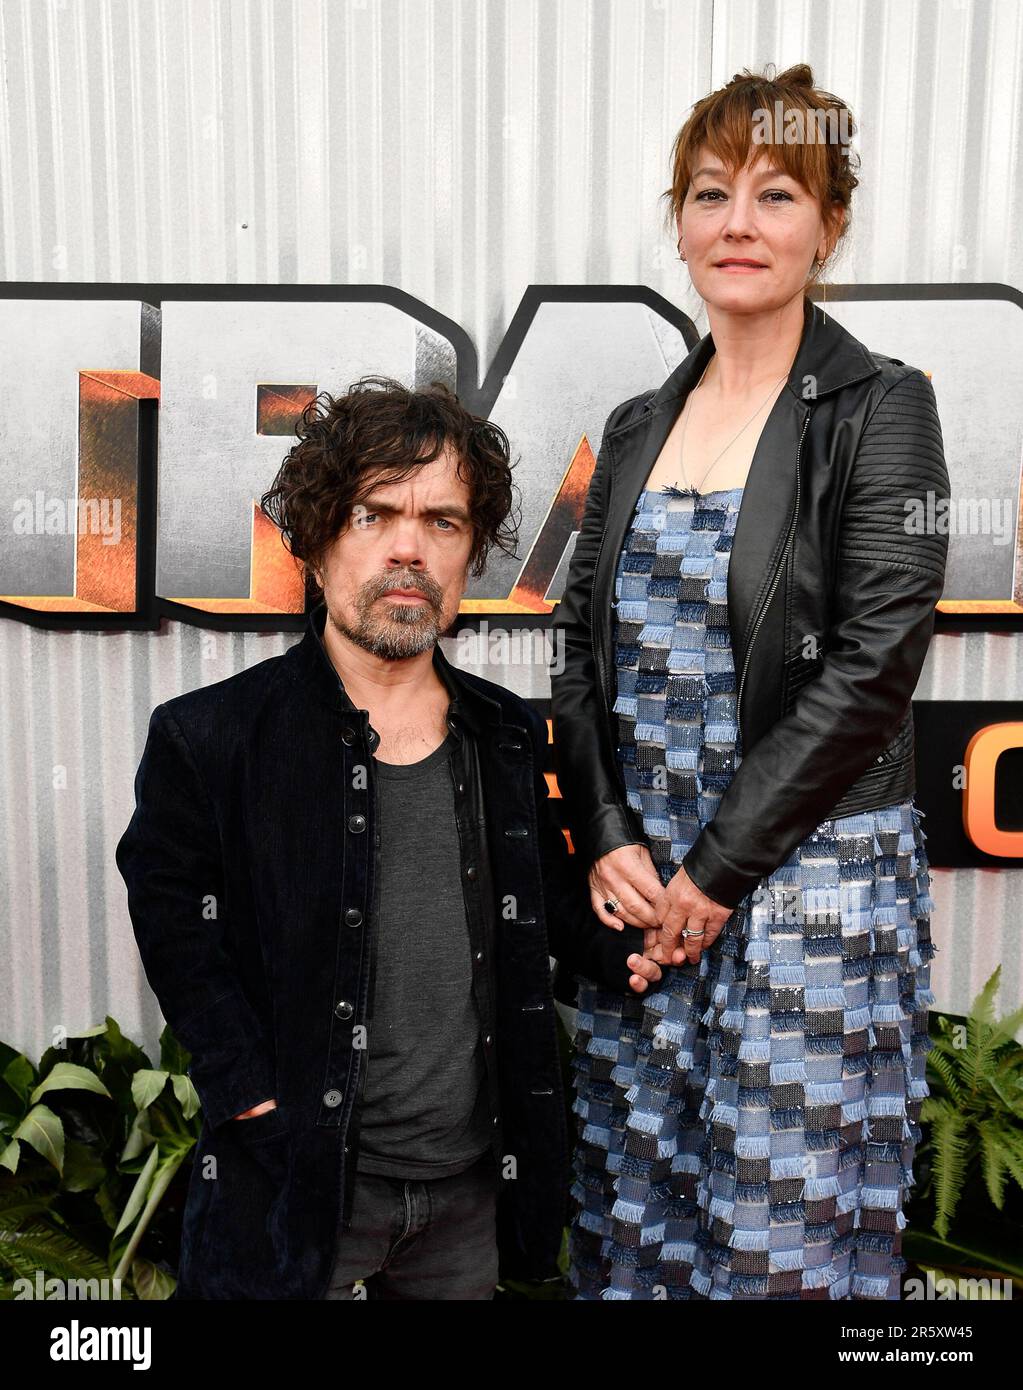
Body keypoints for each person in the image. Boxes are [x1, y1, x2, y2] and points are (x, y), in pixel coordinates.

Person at [115, 376, 662, 1301]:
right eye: (375, 515)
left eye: (443, 522)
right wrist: (250, 1097)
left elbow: (549, 914)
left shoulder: (504, 734)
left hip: (469, 1196)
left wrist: (647, 937)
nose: (409, 547)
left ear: (470, 555)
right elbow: (177, 931)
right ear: (318, 546)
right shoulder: (207, 739)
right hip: (294, 1188)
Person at [550, 63, 949, 1300]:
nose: (738, 223)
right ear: (678, 221)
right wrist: (609, 833)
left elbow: (875, 668)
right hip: (645, 896)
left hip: (801, 889)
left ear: (829, 227)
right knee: (639, 1215)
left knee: (784, 1246)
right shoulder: (632, 426)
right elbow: (575, 651)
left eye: (777, 195)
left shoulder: (881, 410)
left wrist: (717, 876)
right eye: (711, 192)